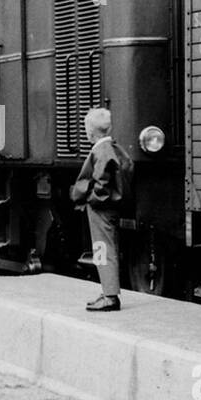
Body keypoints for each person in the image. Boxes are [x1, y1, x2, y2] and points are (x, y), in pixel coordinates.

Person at [69, 107, 131, 312]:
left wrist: (93, 198)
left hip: (101, 209)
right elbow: (128, 167)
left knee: (103, 250)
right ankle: (108, 292)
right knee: (106, 249)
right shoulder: (114, 147)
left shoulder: (100, 150)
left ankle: (110, 296)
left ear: (91, 132)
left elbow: (101, 181)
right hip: (110, 207)